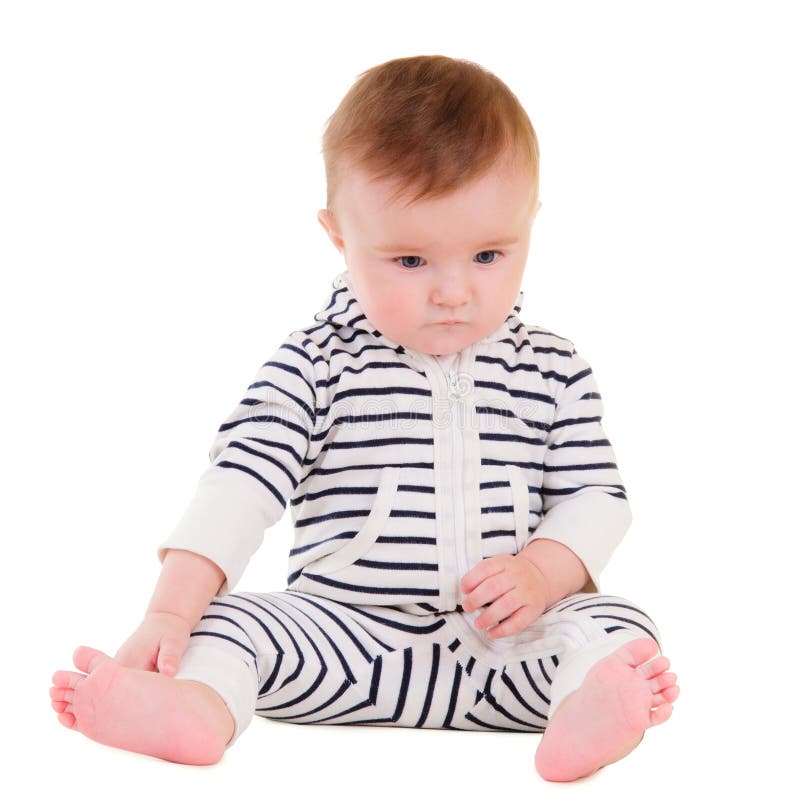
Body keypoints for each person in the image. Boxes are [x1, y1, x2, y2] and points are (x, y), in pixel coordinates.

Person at [49, 54, 679, 782]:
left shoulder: (552, 368)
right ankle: (196, 708)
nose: (453, 292)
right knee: (227, 624)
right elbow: (240, 485)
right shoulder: (317, 362)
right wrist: (167, 616)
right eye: (410, 260)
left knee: (622, 630)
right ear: (340, 236)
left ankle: (582, 717)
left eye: (487, 254)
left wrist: (541, 574)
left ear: (529, 224)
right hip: (341, 647)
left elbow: (596, 500)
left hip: (504, 656)